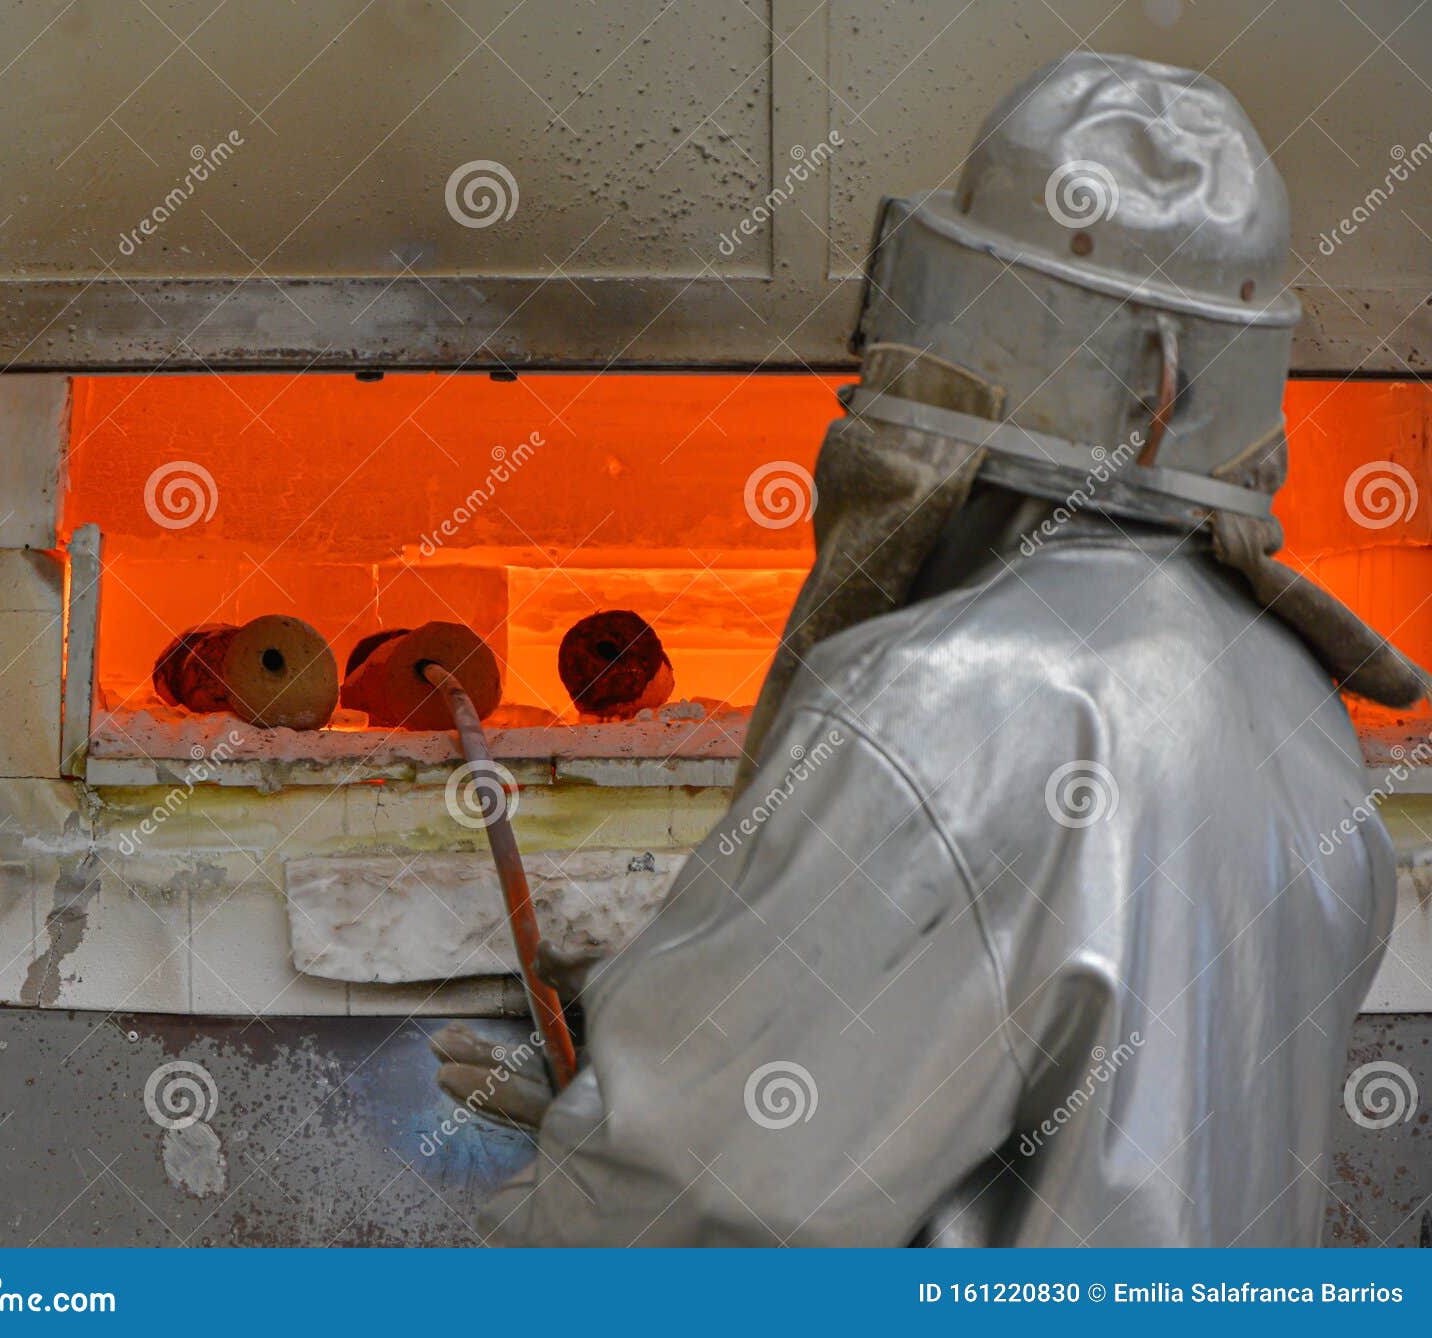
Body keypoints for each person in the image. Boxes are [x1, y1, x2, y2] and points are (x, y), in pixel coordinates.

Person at [465, 52, 1425, 1246]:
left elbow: (690, 1219)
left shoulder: (943, 700)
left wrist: (591, 1157)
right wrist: (674, 1046)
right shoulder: (1296, 705)